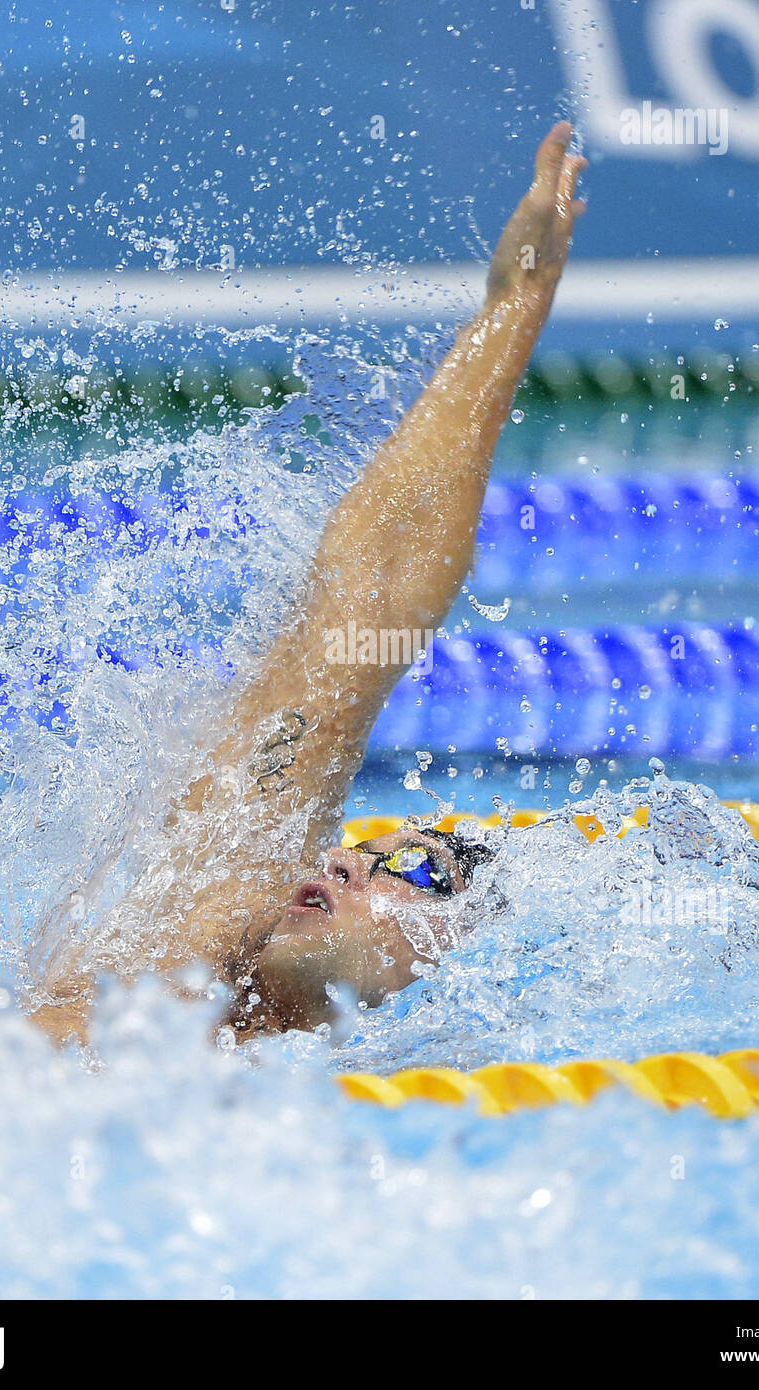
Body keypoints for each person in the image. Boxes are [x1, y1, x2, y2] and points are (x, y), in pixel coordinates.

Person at [33, 122, 586, 1046]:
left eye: (417, 873)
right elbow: (364, 600)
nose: (350, 860)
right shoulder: (202, 916)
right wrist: (520, 301)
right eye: (370, 847)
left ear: (457, 965)